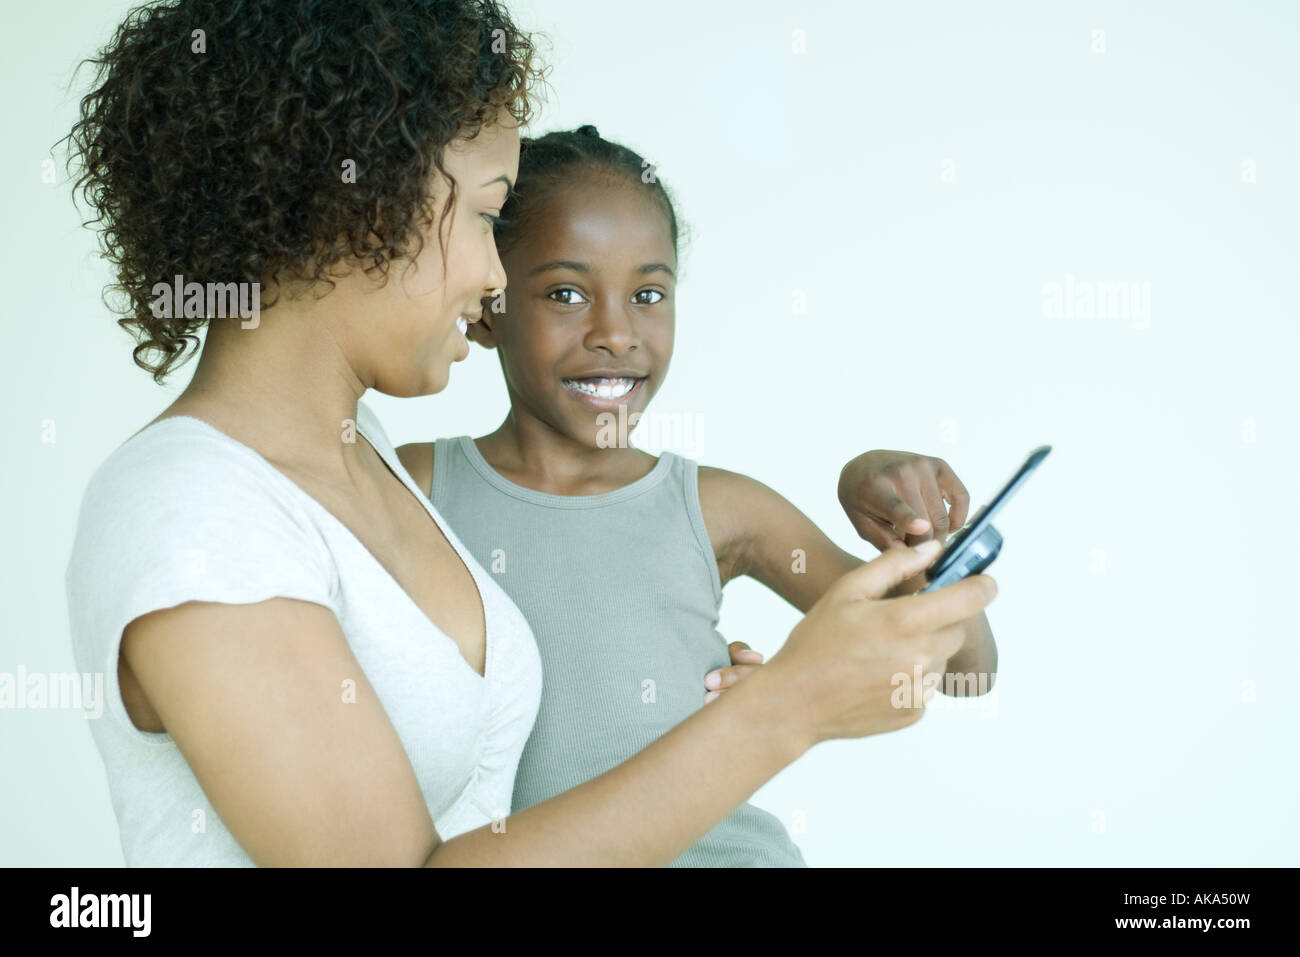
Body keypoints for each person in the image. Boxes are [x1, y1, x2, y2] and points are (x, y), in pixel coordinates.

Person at [61, 0, 996, 866]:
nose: (490, 274)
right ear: (359, 204)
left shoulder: (363, 458)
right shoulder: (190, 512)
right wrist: (786, 710)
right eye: (484, 216)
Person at [395, 124, 996, 866]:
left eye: (648, 293)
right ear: (489, 307)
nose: (616, 332)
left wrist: (916, 537)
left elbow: (965, 669)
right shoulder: (415, 487)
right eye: (566, 293)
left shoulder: (715, 507)